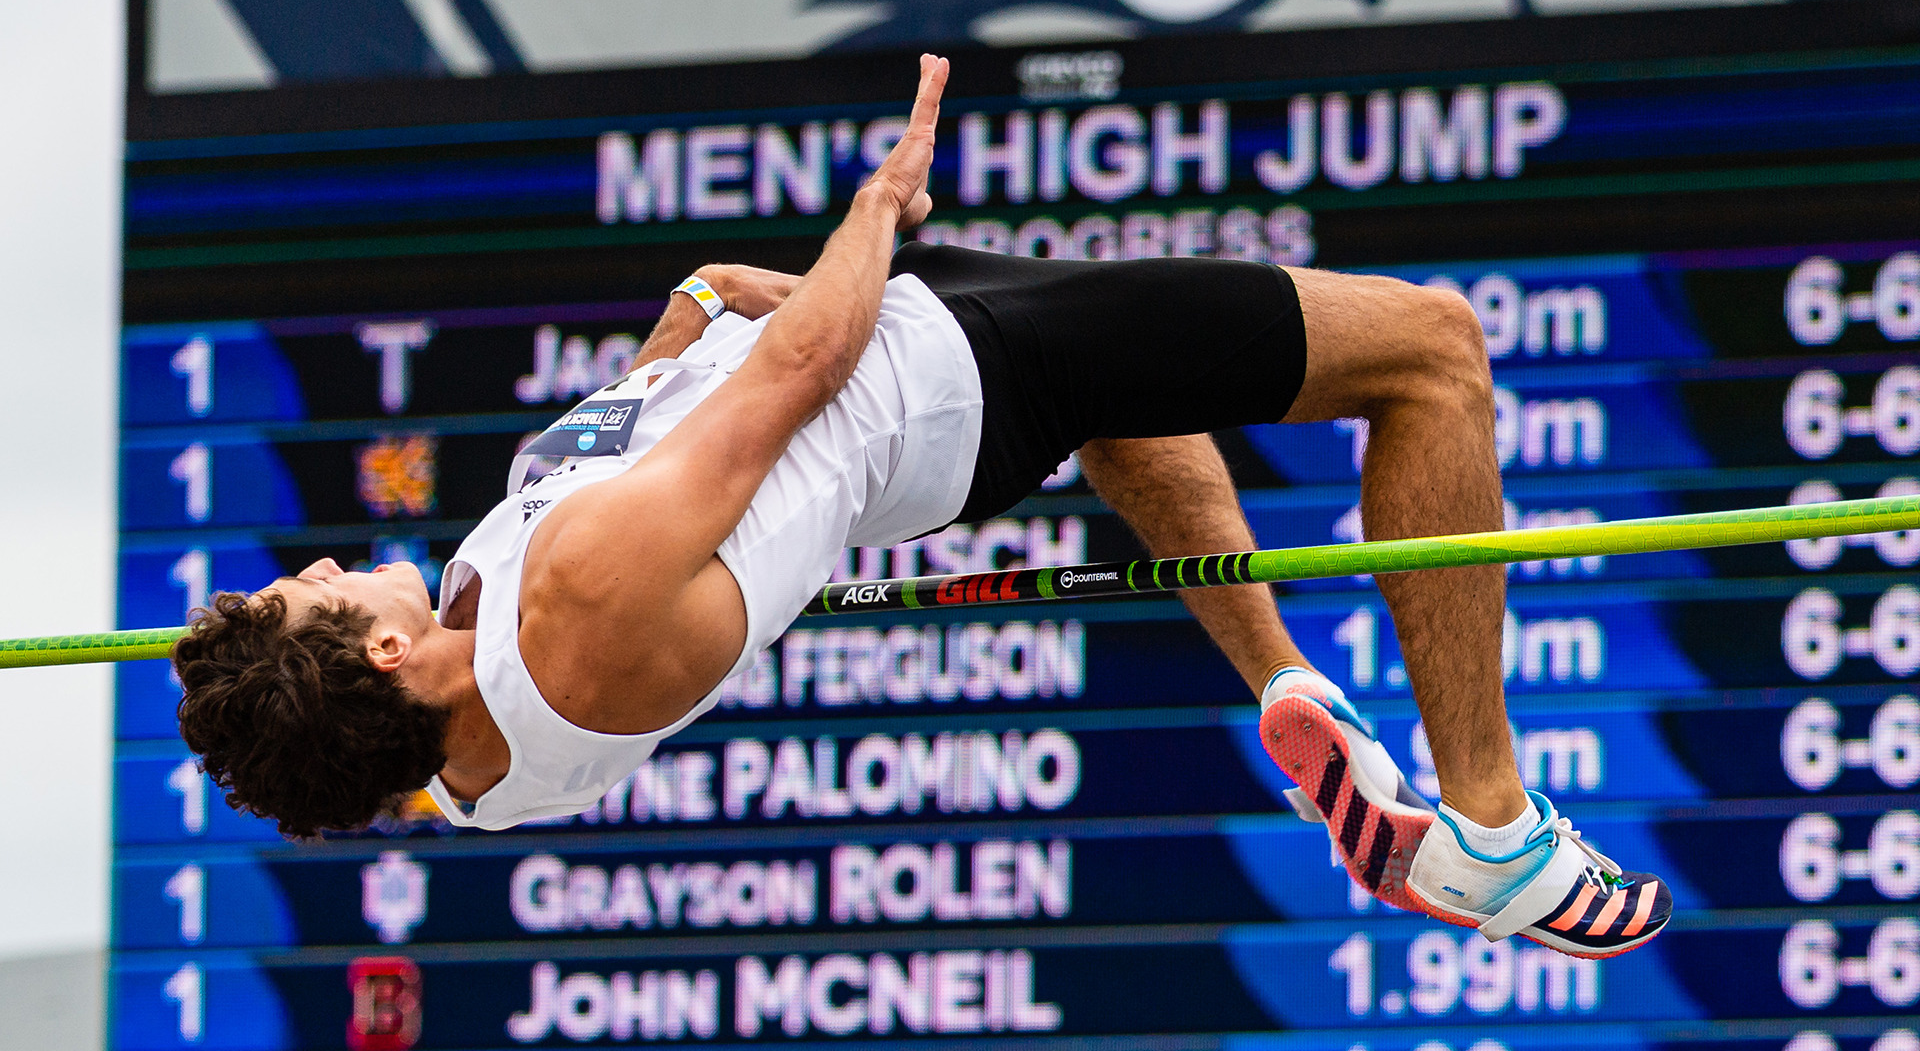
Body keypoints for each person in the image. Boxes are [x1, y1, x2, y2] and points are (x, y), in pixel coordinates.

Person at [172, 56, 1667, 959]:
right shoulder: (569, 605)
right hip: (944, 363)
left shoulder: (472, 761)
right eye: (318, 592)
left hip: (921, 389)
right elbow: (807, 366)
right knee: (1430, 353)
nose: (327, 560)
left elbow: (624, 461)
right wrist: (877, 208)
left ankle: (1284, 680)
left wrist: (684, 326)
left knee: (1131, 404)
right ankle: (1490, 826)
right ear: (378, 656)